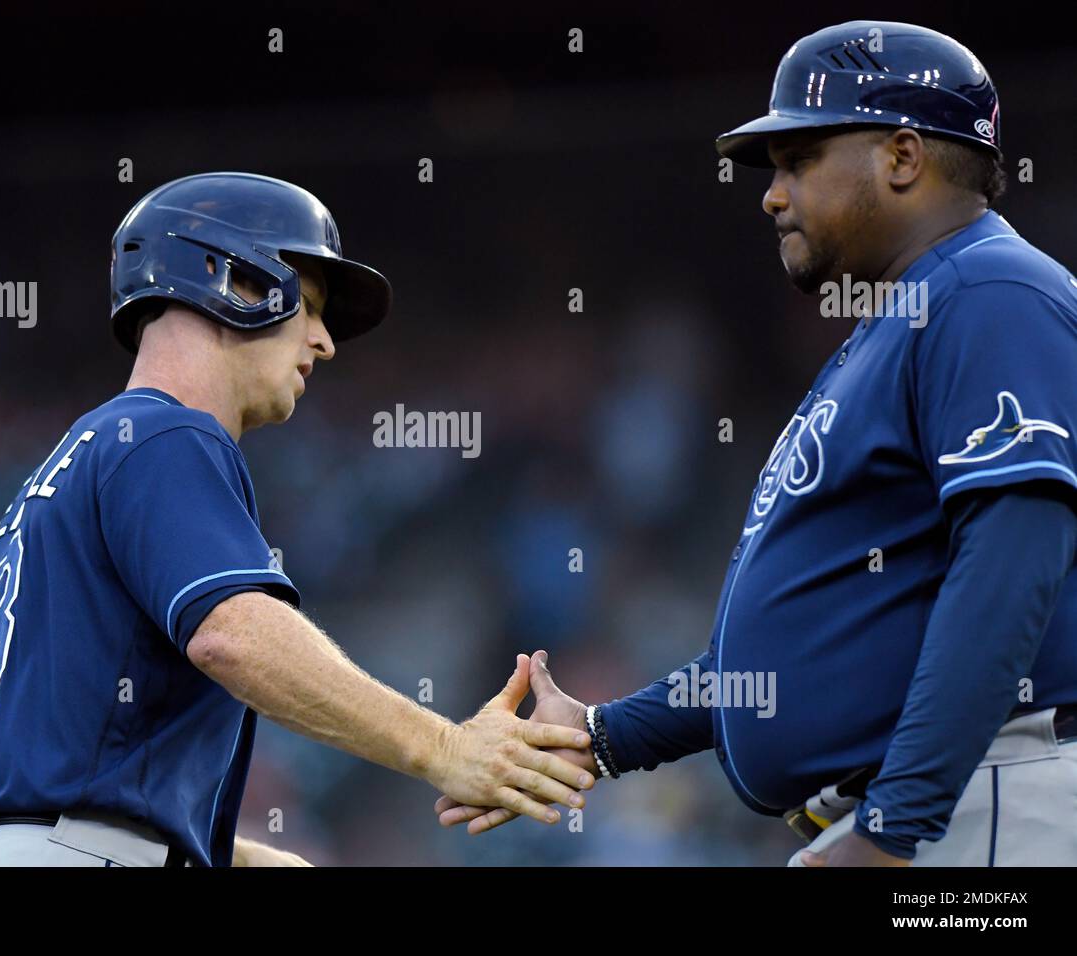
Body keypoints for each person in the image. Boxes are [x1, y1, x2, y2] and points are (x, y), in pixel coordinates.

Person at [437, 21, 1077, 866]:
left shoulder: (990, 290)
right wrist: (603, 734)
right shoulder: (898, 325)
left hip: (985, 800)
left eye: (799, 158)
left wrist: (895, 826)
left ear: (903, 156)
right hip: (927, 810)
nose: (772, 195)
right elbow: (791, 649)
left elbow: (1012, 555)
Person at [0, 172, 594, 867]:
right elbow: (234, 638)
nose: (324, 341)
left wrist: (237, 858)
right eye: (307, 304)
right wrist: (444, 749)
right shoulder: (166, 436)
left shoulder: (83, 457)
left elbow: (75, 768)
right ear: (236, 282)